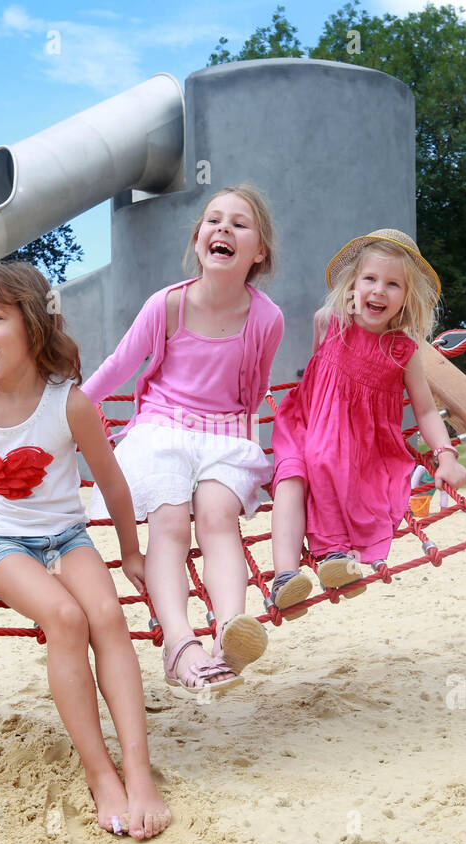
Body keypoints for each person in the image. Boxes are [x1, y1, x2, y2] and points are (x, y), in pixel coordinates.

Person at [0, 260, 169, 840]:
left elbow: (113, 485)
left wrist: (131, 553)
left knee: (109, 618)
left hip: (68, 538)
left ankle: (139, 772)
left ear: (35, 326)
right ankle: (102, 776)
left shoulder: (68, 403)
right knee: (66, 620)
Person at [82, 185, 283, 698]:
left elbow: (254, 388)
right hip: (161, 429)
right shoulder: (167, 305)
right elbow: (118, 368)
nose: (223, 229)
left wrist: (238, 436)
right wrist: (68, 416)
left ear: (258, 251)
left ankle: (231, 631)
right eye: (213, 221)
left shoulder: (266, 318)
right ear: (198, 240)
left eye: (240, 224)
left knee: (217, 517)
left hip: (224, 434)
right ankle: (178, 643)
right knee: (170, 521)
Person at [267, 229, 466, 619]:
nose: (379, 291)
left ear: (406, 297)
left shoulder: (403, 351)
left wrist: (445, 455)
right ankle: (285, 577)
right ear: (353, 285)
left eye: (393, 284)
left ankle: (335, 557)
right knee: (294, 476)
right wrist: (320, 434)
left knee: (334, 464)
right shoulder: (328, 322)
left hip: (362, 446)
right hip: (305, 425)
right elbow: (316, 381)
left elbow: (426, 411)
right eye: (370, 279)